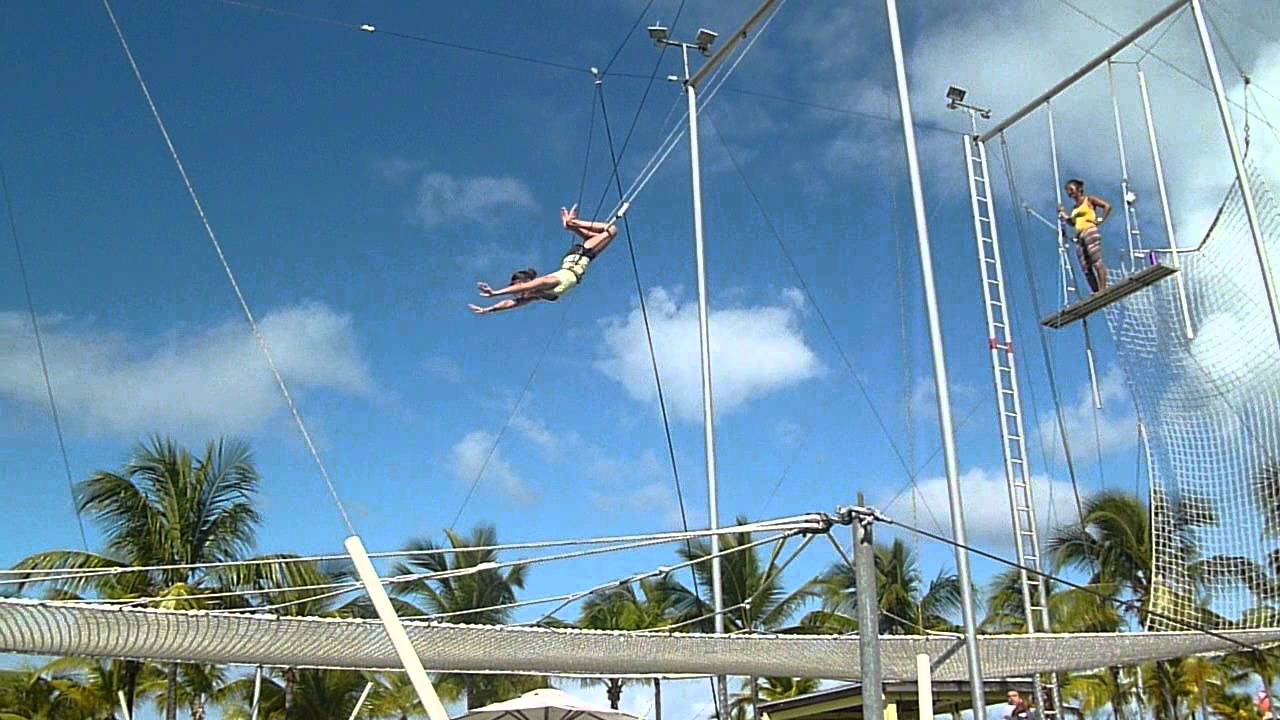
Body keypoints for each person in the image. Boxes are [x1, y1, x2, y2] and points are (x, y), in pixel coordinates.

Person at [469, 204, 621, 316]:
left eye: (520, 289)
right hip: (582, 259)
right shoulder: (536, 295)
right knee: (595, 236)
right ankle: (570, 225)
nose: (520, 295)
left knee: (611, 230)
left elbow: (523, 288)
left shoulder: (548, 281)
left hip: (580, 256)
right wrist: (488, 310)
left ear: (527, 283)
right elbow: (510, 304)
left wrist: (495, 292)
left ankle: (572, 223)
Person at [1057, 178, 1113, 294]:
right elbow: (1072, 223)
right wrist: (1063, 214)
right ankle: (1096, 291)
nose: (1069, 193)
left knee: (1096, 260)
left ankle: (1103, 288)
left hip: (1089, 231)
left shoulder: (1089, 200)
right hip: (1079, 236)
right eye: (1068, 191)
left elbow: (1107, 206)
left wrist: (1100, 219)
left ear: (1079, 189)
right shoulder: (1074, 209)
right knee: (1086, 267)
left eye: (1071, 189)